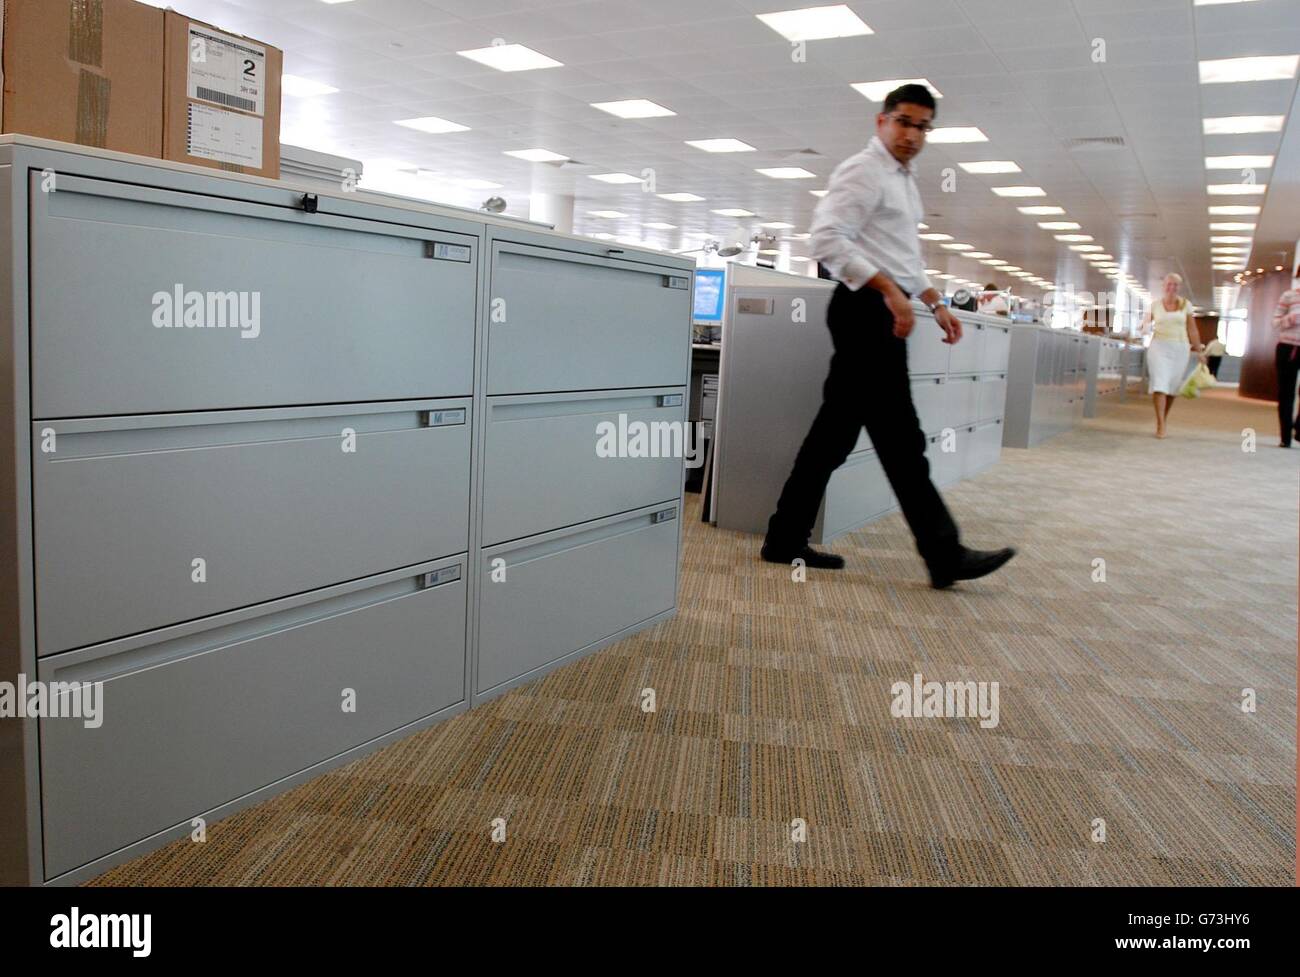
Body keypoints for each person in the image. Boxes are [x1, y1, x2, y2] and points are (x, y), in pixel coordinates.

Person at [761, 84, 1015, 590]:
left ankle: (784, 537)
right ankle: (943, 554)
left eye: (923, 126)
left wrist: (934, 301)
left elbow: (902, 255)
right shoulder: (863, 170)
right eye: (903, 122)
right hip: (863, 310)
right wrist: (888, 292)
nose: (912, 134)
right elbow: (827, 240)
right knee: (901, 440)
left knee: (832, 438)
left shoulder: (904, 180)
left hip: (881, 307)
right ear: (881, 121)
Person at [1138, 273, 1205, 438]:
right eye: (1169, 284)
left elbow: (1192, 329)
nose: (1172, 287)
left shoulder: (1185, 305)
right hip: (1159, 347)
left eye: (1175, 284)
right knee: (1159, 384)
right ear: (1163, 286)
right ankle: (1160, 423)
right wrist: (1144, 326)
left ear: (1179, 287)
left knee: (1172, 388)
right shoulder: (1154, 305)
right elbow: (1145, 322)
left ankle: (1163, 419)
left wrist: (1199, 351)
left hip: (1180, 348)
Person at [1273, 264, 1300, 447]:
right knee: (1286, 393)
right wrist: (1288, 319)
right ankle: (1285, 436)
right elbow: (1274, 322)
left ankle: (1299, 427)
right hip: (1287, 347)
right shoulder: (1289, 296)